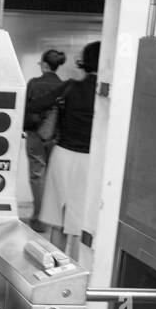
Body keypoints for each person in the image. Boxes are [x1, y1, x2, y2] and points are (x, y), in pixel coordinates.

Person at [41, 40, 99, 262]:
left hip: (62, 155)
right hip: (90, 160)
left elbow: (36, 105)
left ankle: (54, 268)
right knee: (78, 222)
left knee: (58, 218)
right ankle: (76, 267)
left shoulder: (70, 87)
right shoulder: (109, 95)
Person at [22, 48, 68, 236]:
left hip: (34, 135)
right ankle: (51, 220)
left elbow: (24, 107)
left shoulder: (34, 83)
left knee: (37, 175)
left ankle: (38, 219)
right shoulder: (64, 85)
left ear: (45, 65)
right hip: (55, 137)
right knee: (51, 178)